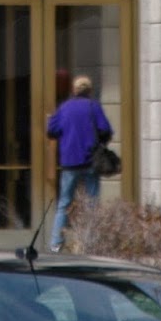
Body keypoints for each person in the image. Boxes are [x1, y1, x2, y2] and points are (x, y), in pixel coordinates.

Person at [46, 74, 113, 253]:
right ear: (89, 91)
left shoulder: (65, 108)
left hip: (69, 162)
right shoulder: (93, 106)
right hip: (90, 161)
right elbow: (106, 130)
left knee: (64, 203)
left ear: (74, 90)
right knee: (91, 203)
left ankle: (56, 242)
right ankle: (90, 241)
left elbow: (51, 130)